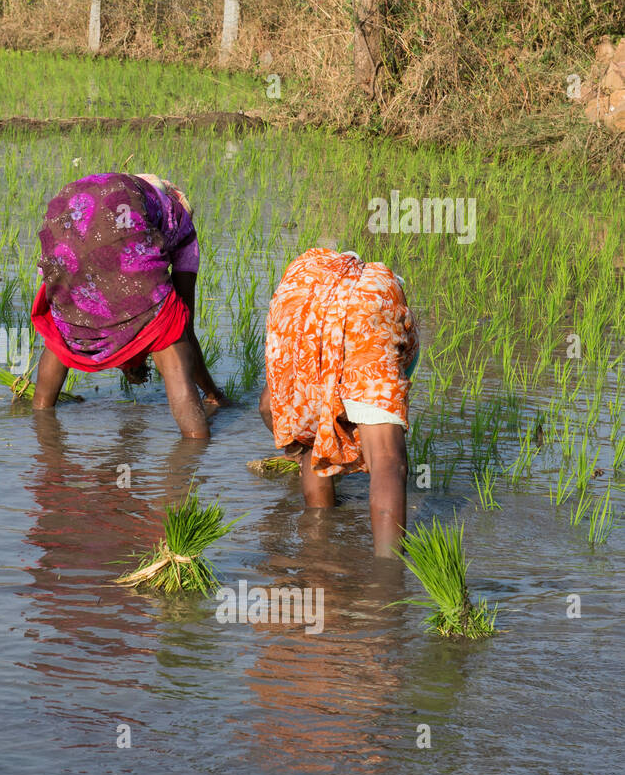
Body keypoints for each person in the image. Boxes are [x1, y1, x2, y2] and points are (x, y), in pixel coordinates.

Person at [29, 172, 224, 437]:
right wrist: (213, 393)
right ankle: (194, 446)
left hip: (64, 214)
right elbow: (182, 324)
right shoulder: (180, 219)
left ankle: (41, 423)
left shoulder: (127, 193)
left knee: (63, 329)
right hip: (92, 216)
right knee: (169, 332)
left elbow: (109, 280)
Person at [258, 247, 419, 557]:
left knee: (312, 438)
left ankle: (318, 549)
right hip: (370, 307)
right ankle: (387, 576)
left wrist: (299, 447)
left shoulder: (303, 302)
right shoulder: (381, 302)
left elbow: (268, 406)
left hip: (307, 301)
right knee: (385, 456)